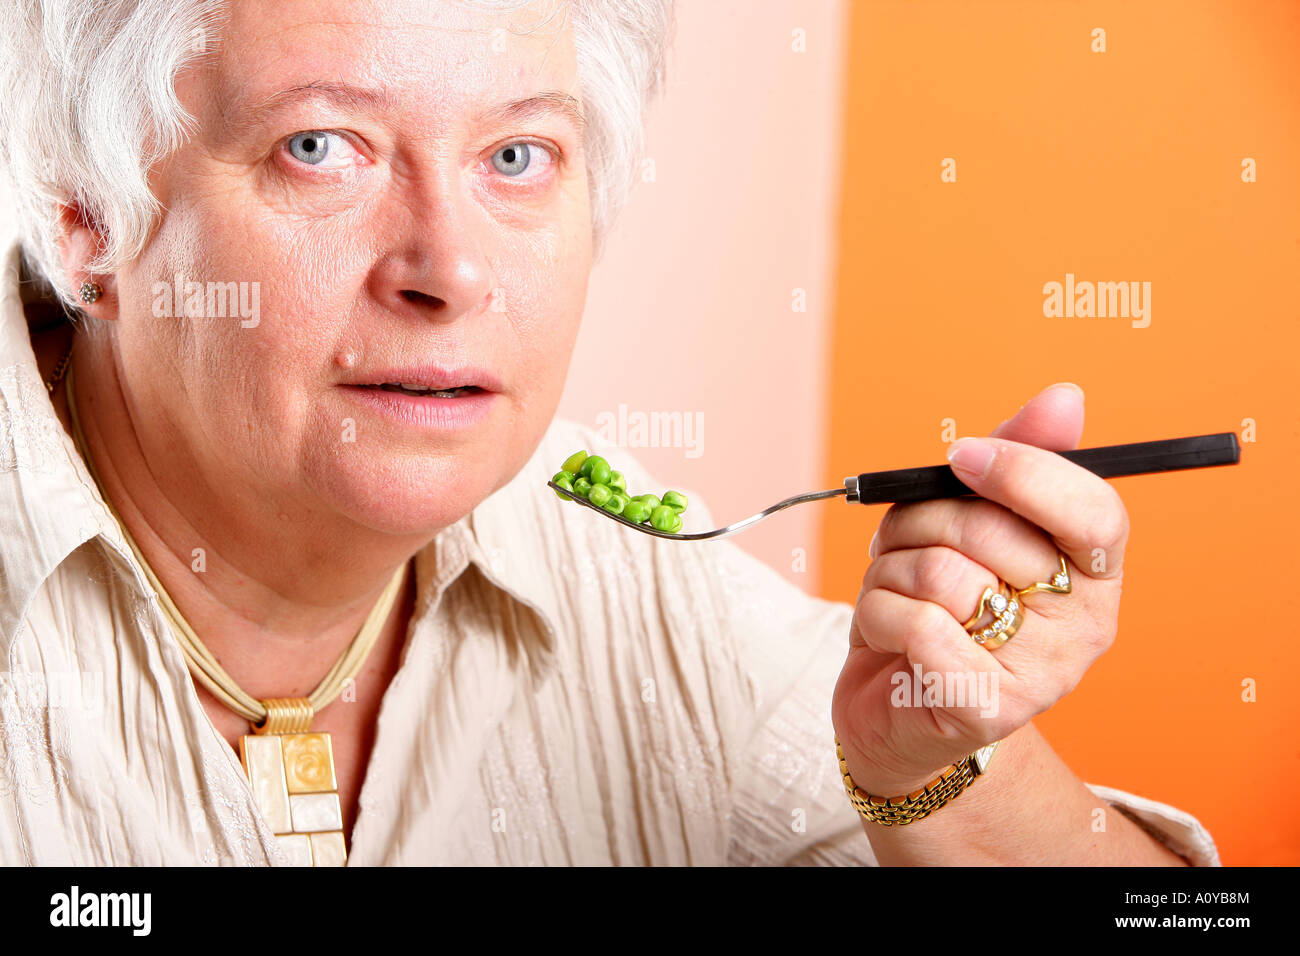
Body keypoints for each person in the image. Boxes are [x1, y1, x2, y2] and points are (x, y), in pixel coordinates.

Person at [0, 0, 1217, 865]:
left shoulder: (629, 567)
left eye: (517, 155)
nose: (451, 268)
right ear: (86, 225)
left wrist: (934, 768)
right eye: (321, 147)